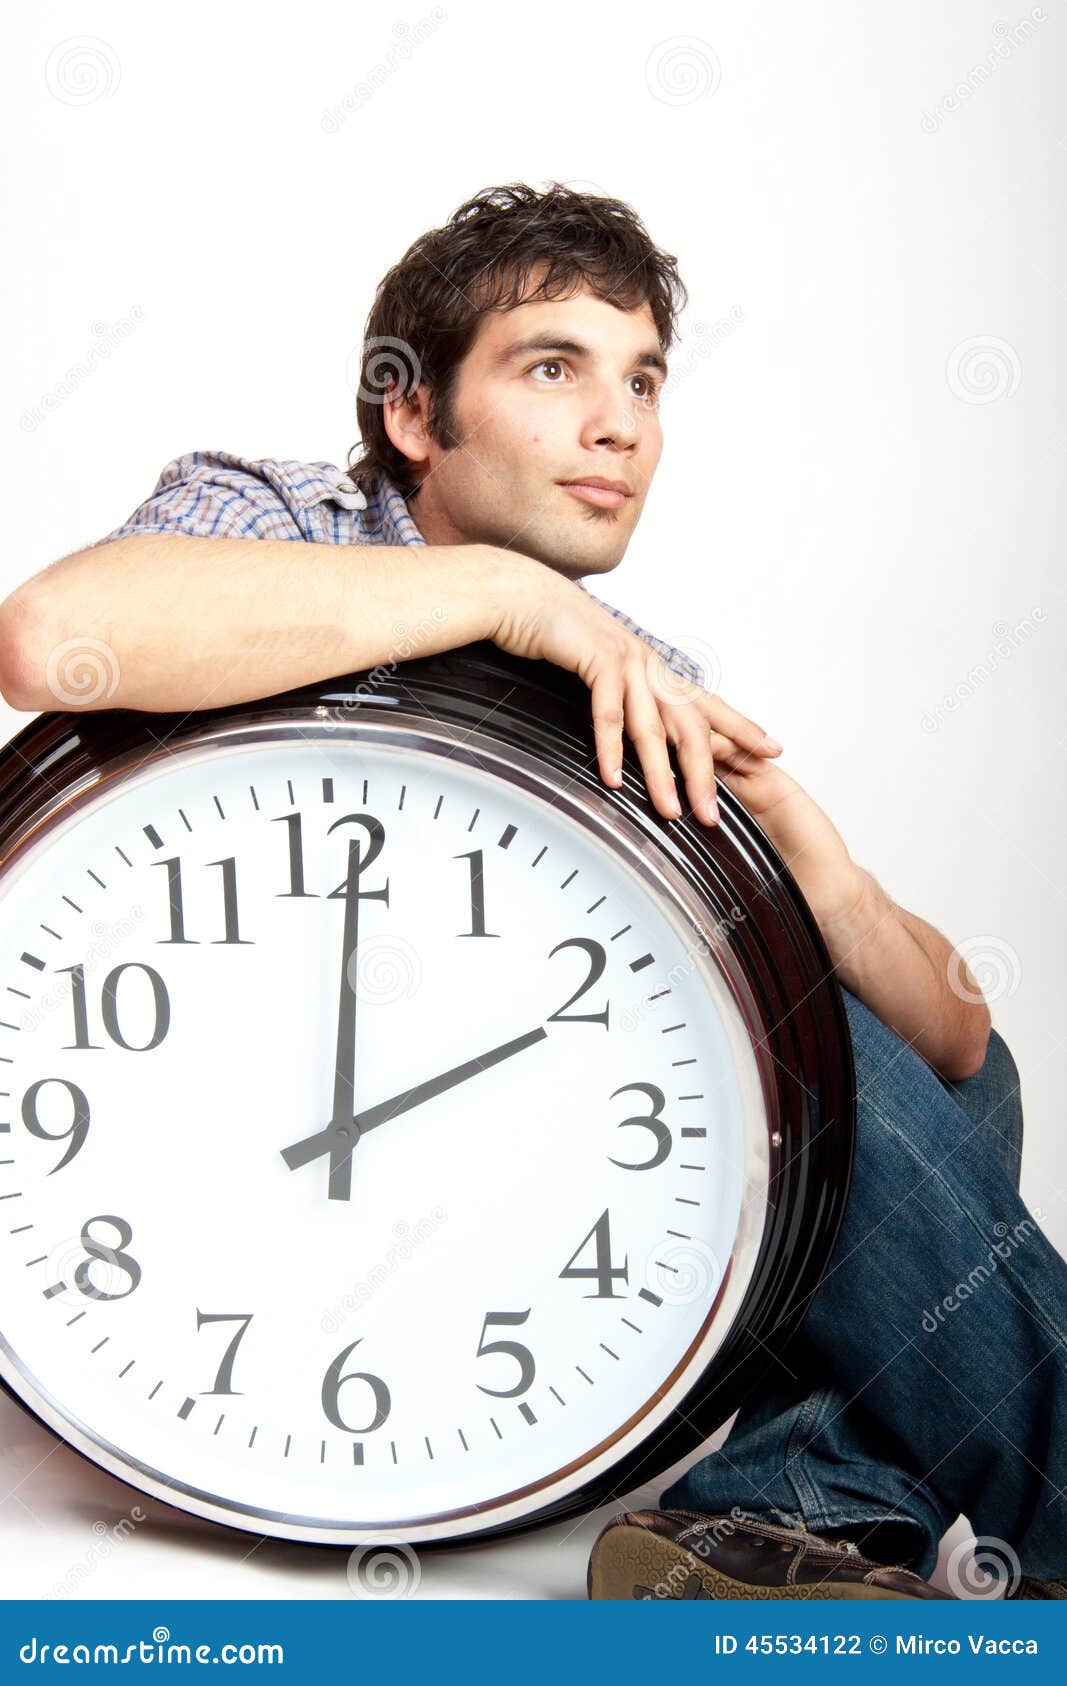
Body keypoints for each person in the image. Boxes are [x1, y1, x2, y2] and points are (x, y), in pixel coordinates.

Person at [1, 183, 1063, 1601]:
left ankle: (788, 1507)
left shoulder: (634, 668)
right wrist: (508, 595)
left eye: (642, 381)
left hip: (532, 1145)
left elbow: (961, 1050)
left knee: (916, 1070)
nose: (618, 423)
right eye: (552, 367)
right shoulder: (279, 514)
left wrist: (825, 866)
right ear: (414, 415)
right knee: (849, 1073)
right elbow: (57, 635)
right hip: (243, 1166)